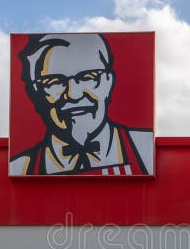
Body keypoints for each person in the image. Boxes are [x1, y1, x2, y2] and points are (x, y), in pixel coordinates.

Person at [10, 33, 153, 176]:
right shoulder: (20, 167)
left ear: (108, 82)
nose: (73, 94)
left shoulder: (145, 148)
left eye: (87, 77)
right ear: (36, 93)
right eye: (54, 82)